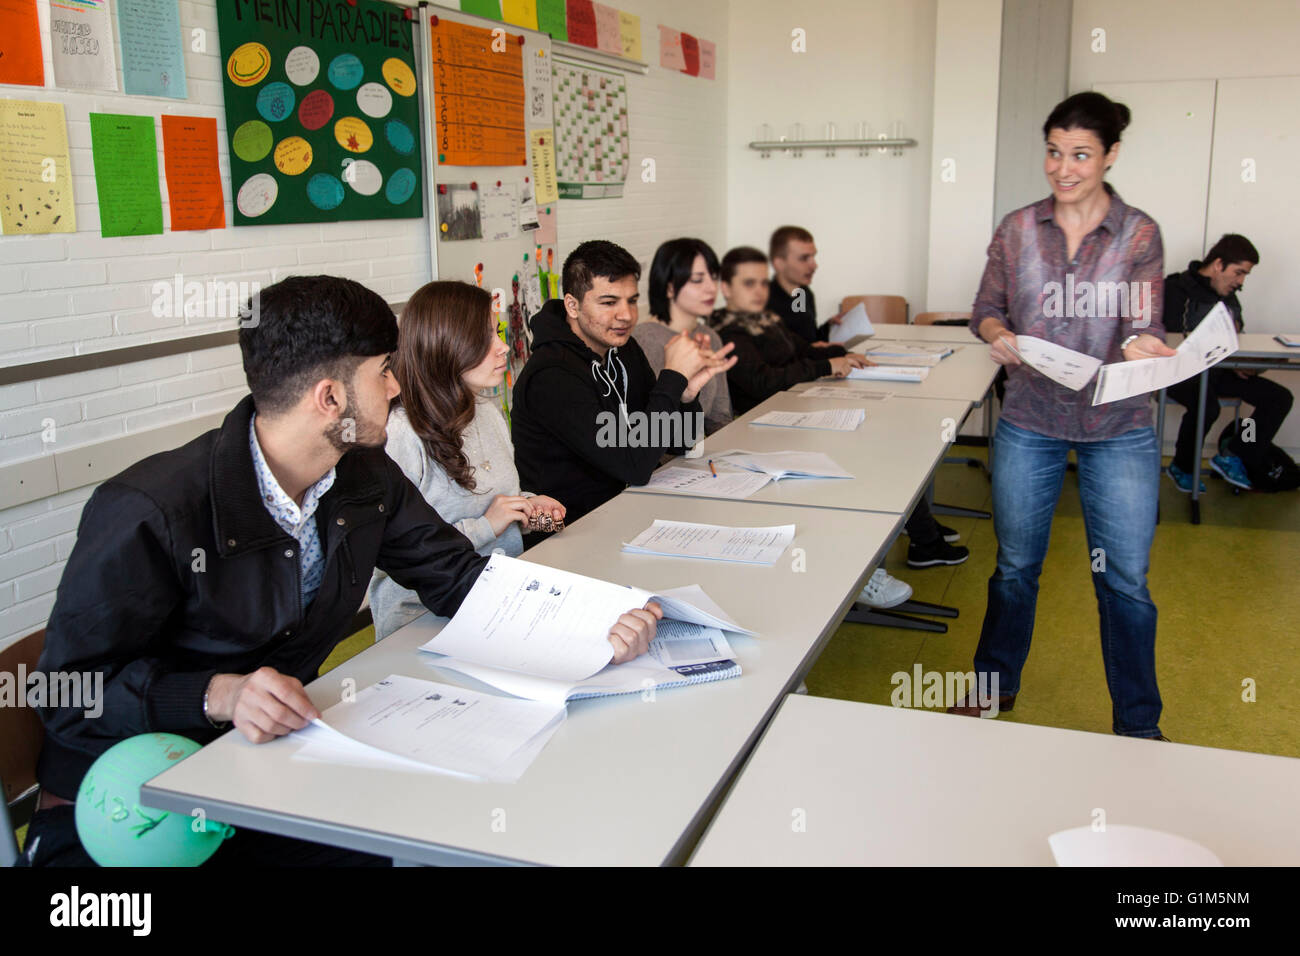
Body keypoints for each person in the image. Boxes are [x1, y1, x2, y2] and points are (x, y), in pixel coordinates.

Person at [27, 275, 661, 867]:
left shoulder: (363, 476)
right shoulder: (149, 509)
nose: (396, 387)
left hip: (273, 758)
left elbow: (457, 578)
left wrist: (596, 618)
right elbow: (66, 693)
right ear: (330, 398)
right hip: (131, 802)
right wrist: (219, 693)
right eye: (384, 373)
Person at [953, 92, 1174, 739]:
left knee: (1126, 582)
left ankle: (1138, 725)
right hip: (1031, 418)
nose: (1064, 167)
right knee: (1016, 568)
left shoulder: (1139, 233)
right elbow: (985, 308)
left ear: (1110, 155)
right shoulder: (1018, 228)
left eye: (1080, 154)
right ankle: (993, 689)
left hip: (1120, 425)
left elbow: (1143, 321)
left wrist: (1143, 343)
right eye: (1054, 151)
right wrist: (998, 333)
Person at [713, 245, 966, 608]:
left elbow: (801, 349)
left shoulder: (764, 319)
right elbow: (762, 382)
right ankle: (866, 568)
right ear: (725, 287)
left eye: (761, 283)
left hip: (795, 411)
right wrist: (826, 365)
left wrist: (838, 356)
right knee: (866, 459)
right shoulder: (729, 330)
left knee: (885, 446)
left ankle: (914, 537)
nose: (758, 291)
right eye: (747, 283)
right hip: (764, 430)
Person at [367, 281, 569, 639]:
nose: (504, 347)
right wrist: (486, 527)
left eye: (499, 333)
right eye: (487, 338)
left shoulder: (487, 412)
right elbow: (387, 553)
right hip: (422, 621)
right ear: (446, 346)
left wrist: (529, 512)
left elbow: (500, 506)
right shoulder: (399, 434)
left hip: (498, 600)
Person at [512, 240, 735, 524]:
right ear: (572, 305)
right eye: (609, 302)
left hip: (629, 510)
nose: (626, 315)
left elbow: (683, 443)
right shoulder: (551, 376)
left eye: (631, 300)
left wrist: (685, 396)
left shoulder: (623, 349)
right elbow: (634, 466)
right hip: (573, 530)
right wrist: (672, 377)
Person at [1163, 234, 1291, 492]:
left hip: (1221, 371)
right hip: (1180, 373)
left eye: (1245, 275)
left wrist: (1246, 363)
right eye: (1238, 272)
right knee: (1208, 406)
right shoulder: (1176, 289)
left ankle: (1236, 453)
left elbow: (1236, 338)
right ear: (1218, 264)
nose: (1241, 282)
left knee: (1277, 398)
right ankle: (1183, 466)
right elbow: (1171, 340)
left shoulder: (1230, 296)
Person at [631, 237, 734, 434]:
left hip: (705, 453)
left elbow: (720, 416)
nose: (711, 288)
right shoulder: (642, 340)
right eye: (697, 280)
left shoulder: (709, 336)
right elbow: (647, 427)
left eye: (713, 277)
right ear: (669, 287)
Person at [766, 225, 842, 346]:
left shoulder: (803, 293)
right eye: (804, 258)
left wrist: (829, 328)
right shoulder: (763, 300)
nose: (814, 265)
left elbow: (808, 337)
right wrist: (810, 350)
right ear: (779, 264)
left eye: (813, 257)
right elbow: (770, 354)